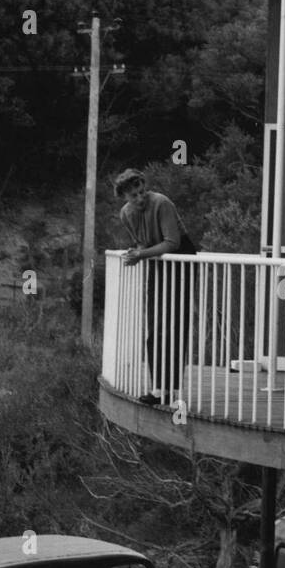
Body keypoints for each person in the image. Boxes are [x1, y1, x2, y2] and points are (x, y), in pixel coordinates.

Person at [115, 168, 197, 406]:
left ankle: (172, 389)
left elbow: (172, 242)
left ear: (145, 186)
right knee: (155, 325)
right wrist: (138, 252)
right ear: (125, 197)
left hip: (180, 257)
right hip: (157, 261)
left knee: (175, 325)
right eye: (133, 196)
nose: (140, 199)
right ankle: (159, 387)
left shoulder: (161, 203)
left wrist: (140, 254)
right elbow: (141, 241)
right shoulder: (125, 214)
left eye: (141, 192)